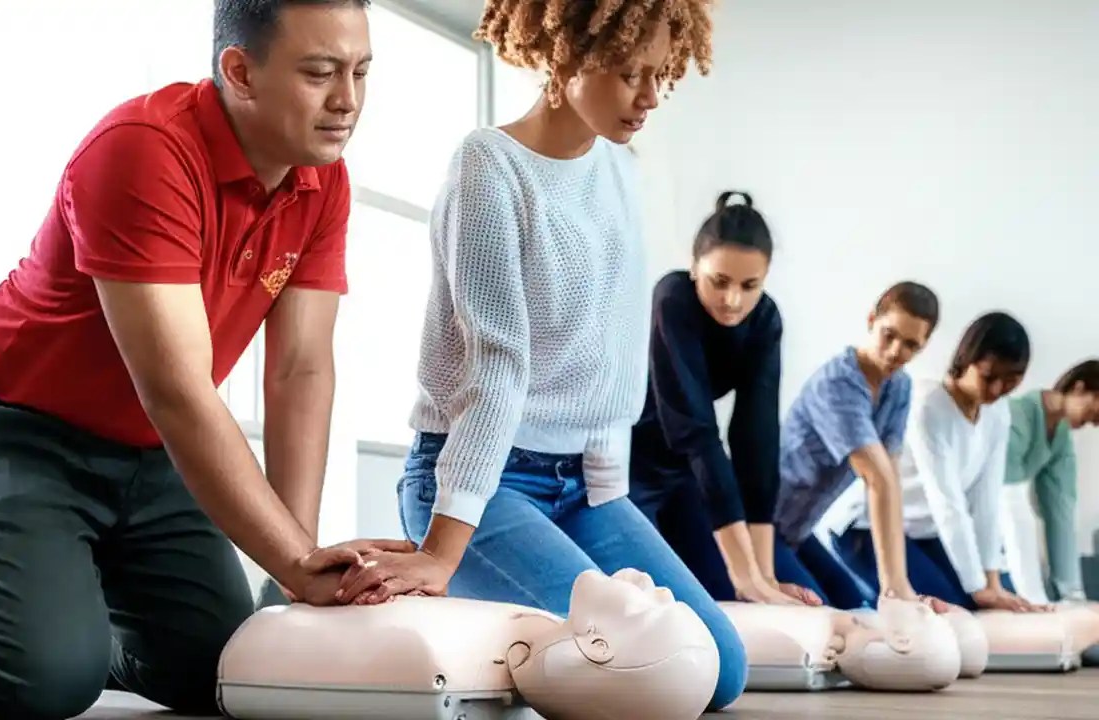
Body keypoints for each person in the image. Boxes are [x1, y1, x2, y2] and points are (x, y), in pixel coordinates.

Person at [0, 2, 415, 718]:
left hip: (149, 451)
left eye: (361, 72)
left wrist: (295, 563)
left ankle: (68, 631)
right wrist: (295, 566)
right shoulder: (144, 150)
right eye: (319, 74)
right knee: (41, 682)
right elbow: (177, 390)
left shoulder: (319, 181)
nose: (348, 101)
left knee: (221, 670)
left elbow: (299, 368)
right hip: (9, 426)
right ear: (239, 71)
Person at [333, 0, 748, 711]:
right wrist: (443, 548)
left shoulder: (621, 169)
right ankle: (412, 577)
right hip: (477, 482)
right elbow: (497, 371)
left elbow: (614, 357)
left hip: (583, 490)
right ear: (563, 55)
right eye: (627, 74)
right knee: (641, 664)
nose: (649, 97)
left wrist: (608, 493)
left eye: (660, 76)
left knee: (721, 667)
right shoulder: (488, 167)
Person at [627, 191, 820, 607]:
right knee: (662, 601)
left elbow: (758, 442)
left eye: (750, 286)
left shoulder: (766, 319)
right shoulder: (673, 297)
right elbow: (697, 432)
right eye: (720, 281)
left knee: (784, 595)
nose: (734, 300)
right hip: (629, 469)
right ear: (695, 266)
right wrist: (744, 574)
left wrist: (764, 578)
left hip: (690, 475)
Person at [824, 312, 1048, 612]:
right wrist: (978, 588)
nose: (996, 390)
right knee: (955, 611)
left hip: (921, 532)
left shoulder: (998, 413)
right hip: (865, 528)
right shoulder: (928, 406)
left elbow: (986, 499)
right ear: (966, 360)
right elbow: (948, 504)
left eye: (1010, 381)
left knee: (989, 602)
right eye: (988, 377)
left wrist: (991, 582)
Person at [770, 282, 942, 610]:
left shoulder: (900, 387)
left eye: (910, 345)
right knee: (822, 614)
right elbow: (876, 478)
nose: (895, 352)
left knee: (854, 605)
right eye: (888, 335)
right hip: (762, 526)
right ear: (870, 320)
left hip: (798, 532)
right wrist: (895, 587)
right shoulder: (838, 383)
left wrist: (896, 585)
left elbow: (890, 479)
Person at [1001, 360, 1099, 604]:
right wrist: (1034, 597)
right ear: (1079, 388)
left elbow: (1060, 511)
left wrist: (1072, 594)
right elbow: (1009, 503)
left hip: (1005, 539)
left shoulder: (1061, 439)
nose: (1096, 422)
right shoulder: (1015, 415)